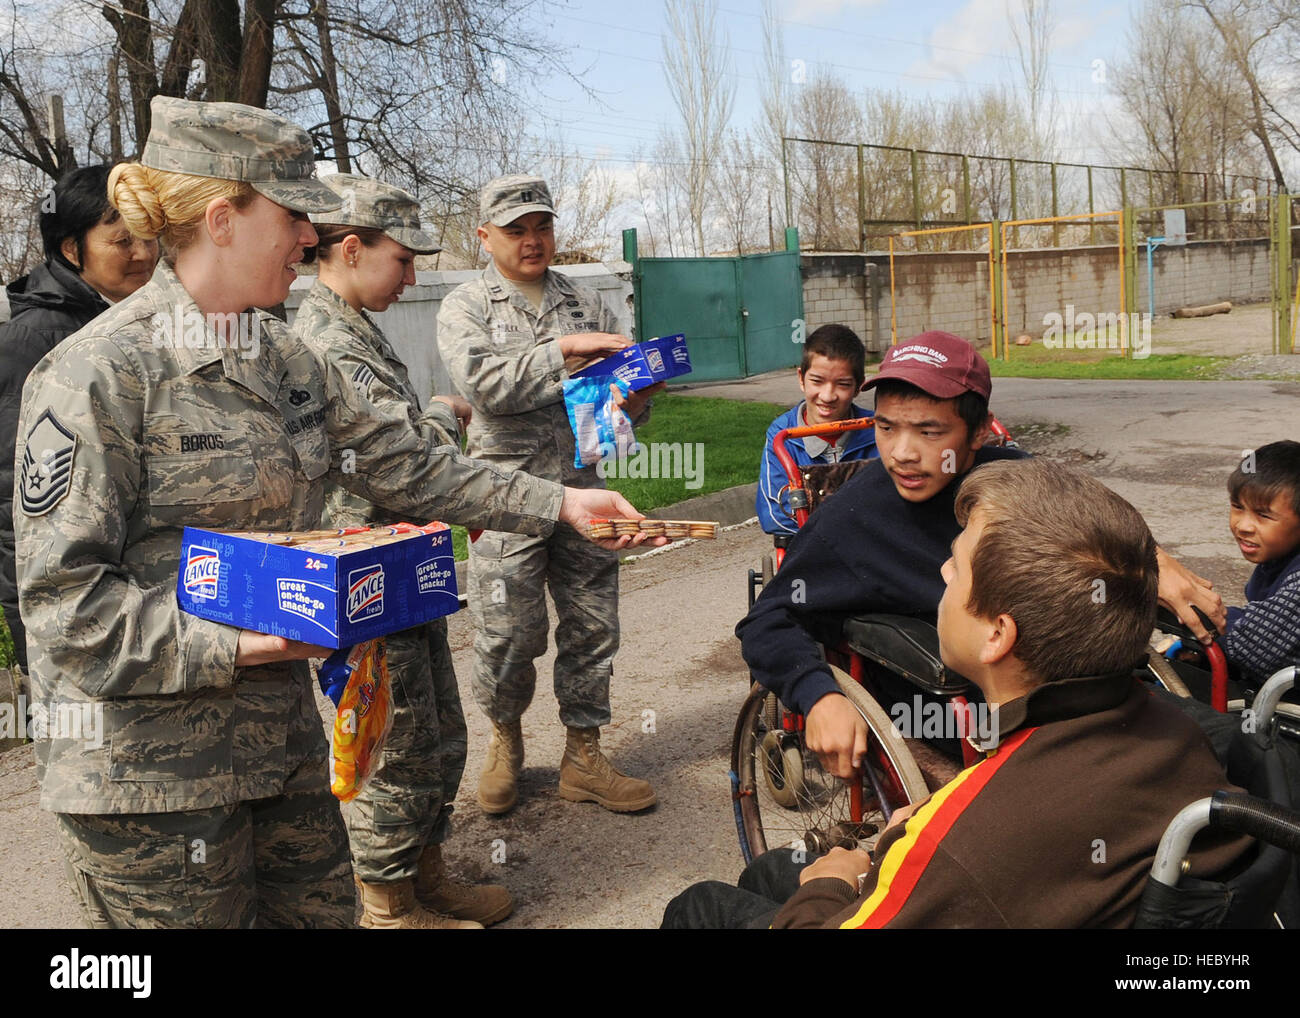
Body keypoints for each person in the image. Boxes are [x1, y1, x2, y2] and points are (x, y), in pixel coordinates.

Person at [13, 97, 658, 930]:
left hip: (279, 753)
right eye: (292, 216)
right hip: (146, 787)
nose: (311, 239)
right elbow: (62, 609)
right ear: (222, 220)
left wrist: (563, 502)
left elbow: (412, 465)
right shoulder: (96, 375)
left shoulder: (289, 360)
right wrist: (245, 642)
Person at [664, 460, 1255, 928]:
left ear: (998, 634)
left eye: (957, 565)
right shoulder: (1178, 726)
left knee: (701, 906)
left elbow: (976, 851)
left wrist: (833, 880)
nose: (942, 574)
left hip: (978, 875)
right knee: (773, 872)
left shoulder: (969, 842)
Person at [737, 330, 1230, 779]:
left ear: (977, 434)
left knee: (1229, 740)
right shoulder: (854, 517)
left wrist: (1152, 560)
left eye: (929, 433)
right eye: (887, 428)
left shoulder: (1014, 477)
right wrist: (819, 694)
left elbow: (1090, 520)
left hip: (1074, 681)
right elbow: (767, 619)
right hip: (963, 709)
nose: (902, 453)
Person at [292, 173, 508, 928]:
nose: (414, 276)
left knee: (438, 732)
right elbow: (401, 457)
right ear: (350, 248)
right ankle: (386, 905)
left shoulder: (352, 324)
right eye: (403, 258)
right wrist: (443, 418)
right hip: (364, 578)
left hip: (397, 565)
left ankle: (423, 873)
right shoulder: (328, 337)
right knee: (393, 742)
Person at [437, 174, 664, 816]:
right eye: (516, 230)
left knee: (595, 623)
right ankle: (505, 740)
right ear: (485, 237)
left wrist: (637, 400)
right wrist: (563, 351)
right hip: (504, 497)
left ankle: (584, 756)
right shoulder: (467, 307)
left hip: (583, 487)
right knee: (509, 632)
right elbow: (485, 388)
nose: (532, 240)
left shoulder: (586, 302)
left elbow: (617, 417)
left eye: (541, 226)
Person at [0, 164, 158, 677]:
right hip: (73, 612)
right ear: (73, 250)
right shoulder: (38, 340)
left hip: (130, 598)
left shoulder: (128, 320)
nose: (143, 255)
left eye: (149, 238)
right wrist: (36, 625)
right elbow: (17, 493)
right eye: (122, 241)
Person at [756, 323, 876, 536]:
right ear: (801, 378)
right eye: (817, 381)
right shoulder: (783, 437)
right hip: (811, 552)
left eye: (843, 384)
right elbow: (774, 516)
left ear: (859, 387)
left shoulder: (877, 430)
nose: (828, 396)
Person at [1222, 440, 1300, 689]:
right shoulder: (1280, 558)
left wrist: (1210, 617)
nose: (1243, 526)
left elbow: (1253, 647)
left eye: (1263, 515)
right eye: (1237, 507)